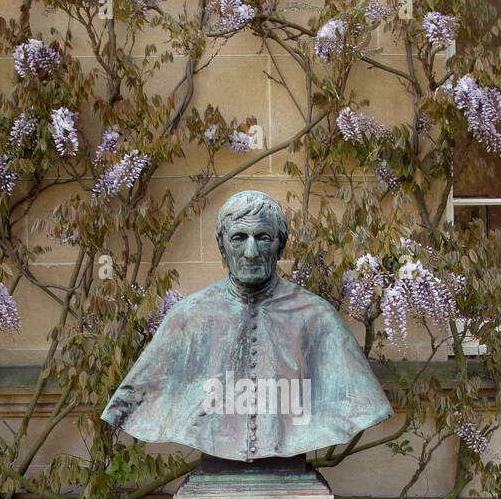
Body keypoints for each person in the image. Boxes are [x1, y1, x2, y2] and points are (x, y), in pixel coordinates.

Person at [100, 188, 392, 461]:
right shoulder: (187, 318)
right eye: (239, 238)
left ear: (280, 247)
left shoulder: (318, 318)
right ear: (222, 246)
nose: (251, 252)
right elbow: (137, 400)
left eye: (263, 237)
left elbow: (361, 404)